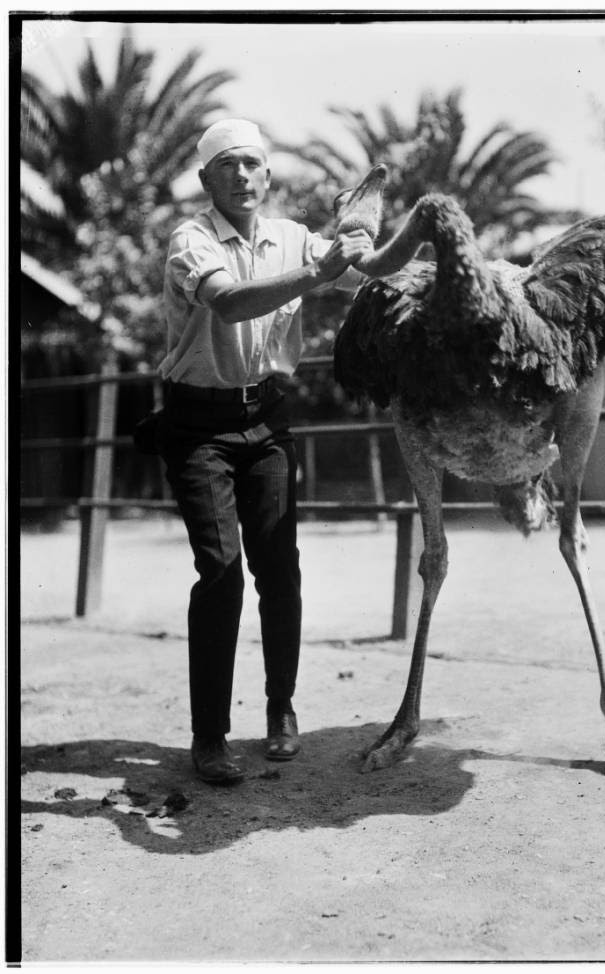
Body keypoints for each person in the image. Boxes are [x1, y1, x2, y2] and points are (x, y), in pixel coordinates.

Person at [157, 118, 373, 784]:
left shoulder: (293, 238)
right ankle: (209, 737)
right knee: (221, 570)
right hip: (199, 426)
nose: (241, 175)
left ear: (268, 175)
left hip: (268, 421)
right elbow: (227, 304)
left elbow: (367, 275)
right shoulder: (191, 240)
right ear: (205, 179)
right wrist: (318, 271)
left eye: (251, 163)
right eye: (227, 165)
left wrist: (371, 239)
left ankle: (281, 709)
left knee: (279, 567)